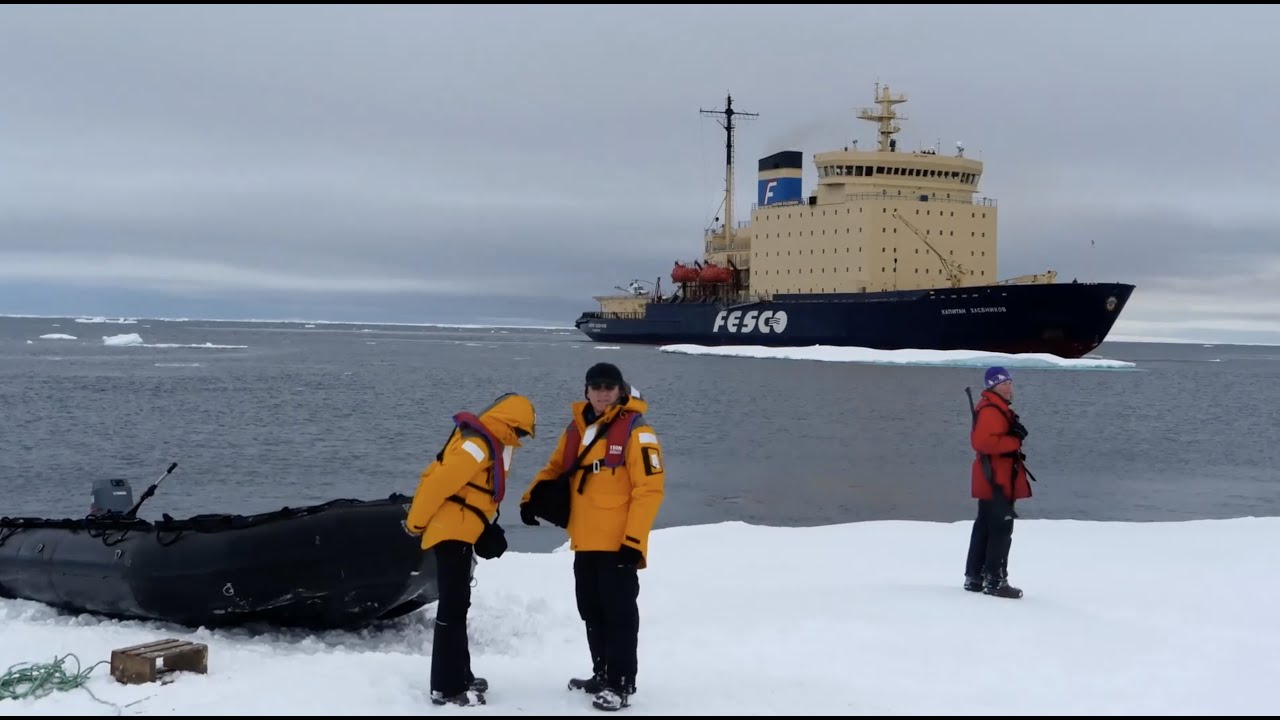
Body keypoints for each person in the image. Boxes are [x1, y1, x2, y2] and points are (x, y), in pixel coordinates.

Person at [518, 362, 666, 712]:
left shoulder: (638, 431)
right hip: (584, 540)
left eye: (609, 387)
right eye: (596, 386)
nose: (602, 393)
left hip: (618, 544)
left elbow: (649, 490)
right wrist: (529, 499)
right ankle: (602, 674)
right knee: (591, 609)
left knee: (619, 615)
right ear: (586, 391)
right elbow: (555, 468)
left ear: (620, 390)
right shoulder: (577, 427)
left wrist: (634, 542)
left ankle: (621, 683)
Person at [404, 392, 537, 707]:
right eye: (519, 432)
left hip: (461, 531)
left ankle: (461, 676)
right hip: (450, 532)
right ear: (509, 423)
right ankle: (446, 688)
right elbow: (437, 484)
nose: (519, 439)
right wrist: (415, 523)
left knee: (458, 606)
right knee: (452, 609)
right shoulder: (477, 447)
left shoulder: (488, 443)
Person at [964, 366, 1031, 599]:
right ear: (992, 386)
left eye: (1009, 383)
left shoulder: (994, 407)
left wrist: (1012, 435)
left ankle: (975, 577)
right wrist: (1014, 440)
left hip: (993, 478)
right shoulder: (991, 410)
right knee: (1001, 529)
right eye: (1003, 384)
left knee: (985, 526)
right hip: (996, 480)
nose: (1008, 387)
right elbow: (983, 443)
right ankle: (995, 581)